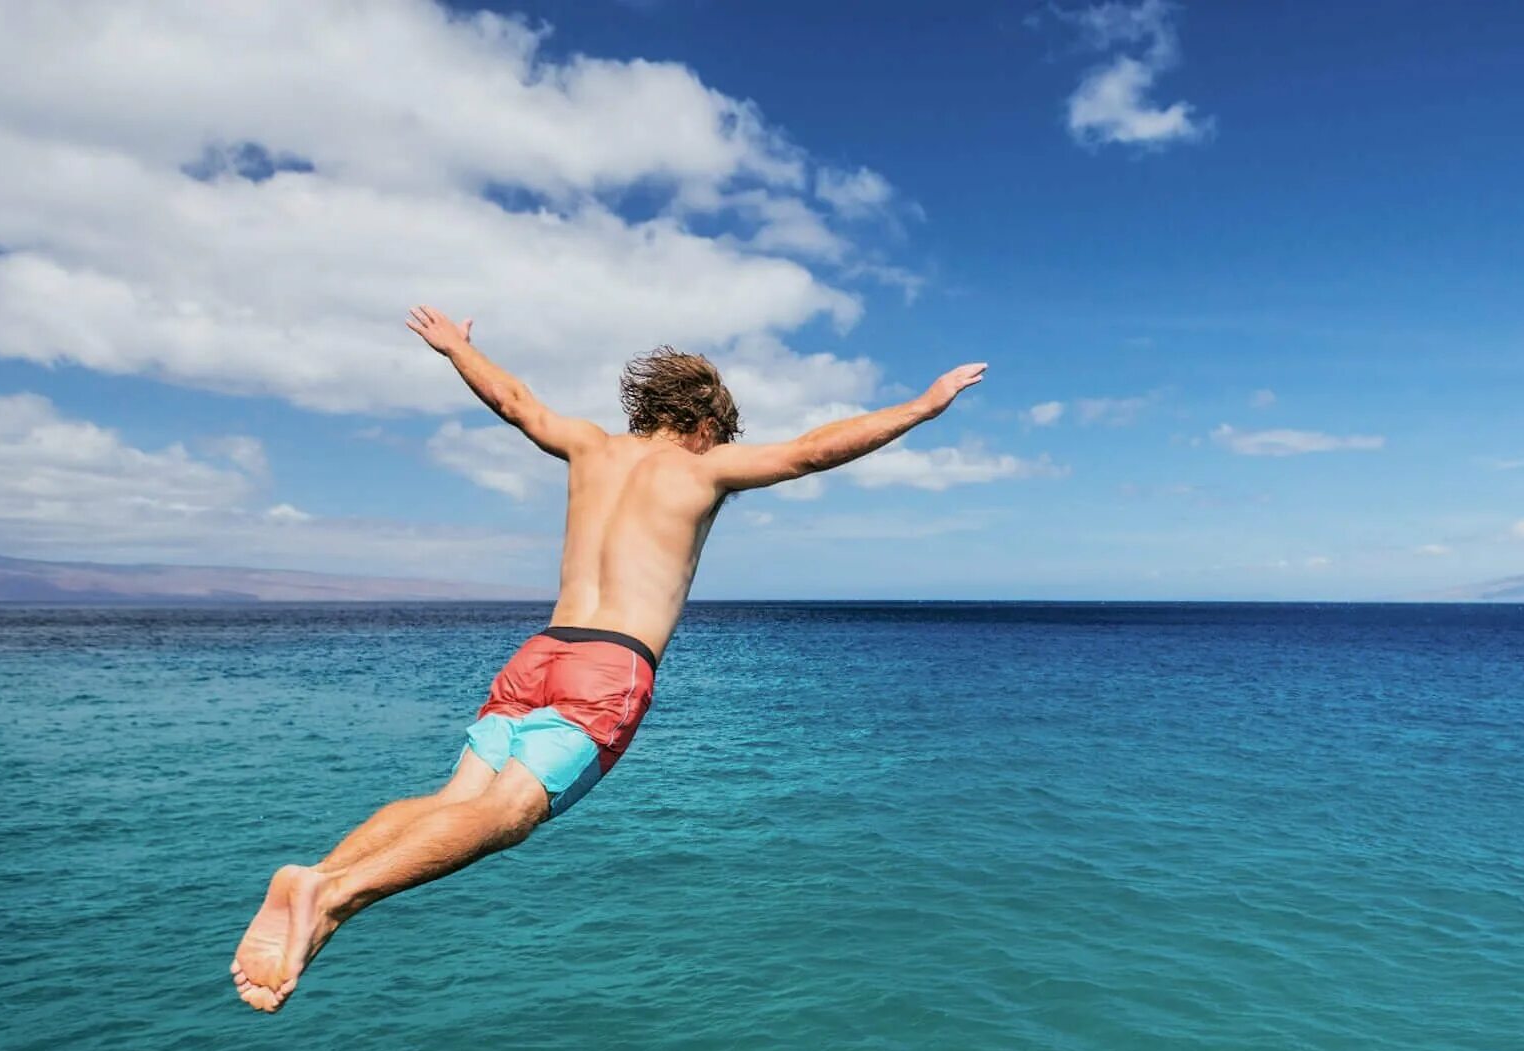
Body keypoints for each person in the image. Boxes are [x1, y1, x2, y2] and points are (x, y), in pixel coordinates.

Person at [229, 307, 986, 1011]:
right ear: (703, 425)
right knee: (506, 817)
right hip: (609, 667)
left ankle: (319, 882)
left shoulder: (588, 446)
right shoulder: (703, 467)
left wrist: (457, 348)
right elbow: (813, 450)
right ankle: (334, 895)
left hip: (538, 654)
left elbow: (514, 402)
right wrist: (922, 407)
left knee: (455, 798)